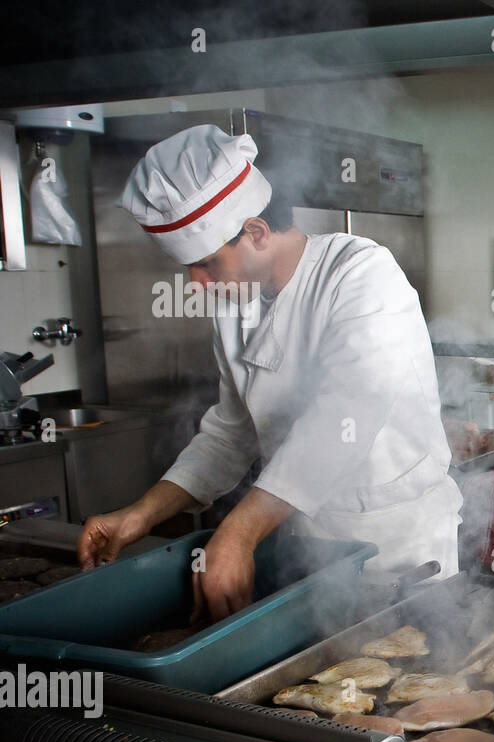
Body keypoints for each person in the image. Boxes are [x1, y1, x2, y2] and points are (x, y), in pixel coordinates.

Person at [77, 124, 461, 621]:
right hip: (304, 548)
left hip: (398, 546)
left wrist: (237, 533)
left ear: (256, 232)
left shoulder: (361, 273)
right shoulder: (234, 305)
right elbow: (231, 434)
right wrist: (140, 515)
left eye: (208, 263)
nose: (197, 283)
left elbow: (345, 420)